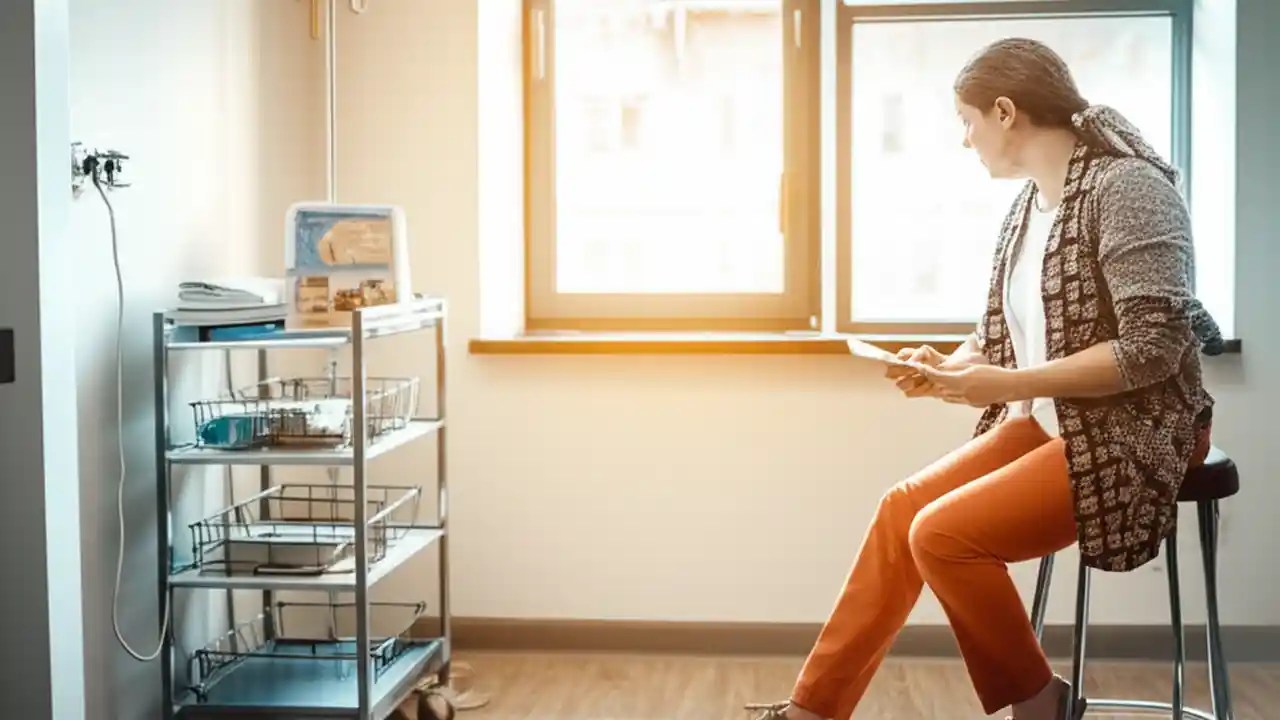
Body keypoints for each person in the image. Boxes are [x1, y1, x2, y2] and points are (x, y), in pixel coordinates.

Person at [748, 37, 1223, 720]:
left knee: (942, 535)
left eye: (967, 121)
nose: (966, 140)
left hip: (1138, 431)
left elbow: (1150, 348)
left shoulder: (1130, 191)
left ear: (1005, 111)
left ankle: (1042, 706)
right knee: (901, 512)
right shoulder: (1031, 205)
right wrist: (952, 363)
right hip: (1057, 424)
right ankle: (813, 711)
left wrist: (1002, 385)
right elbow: (1007, 334)